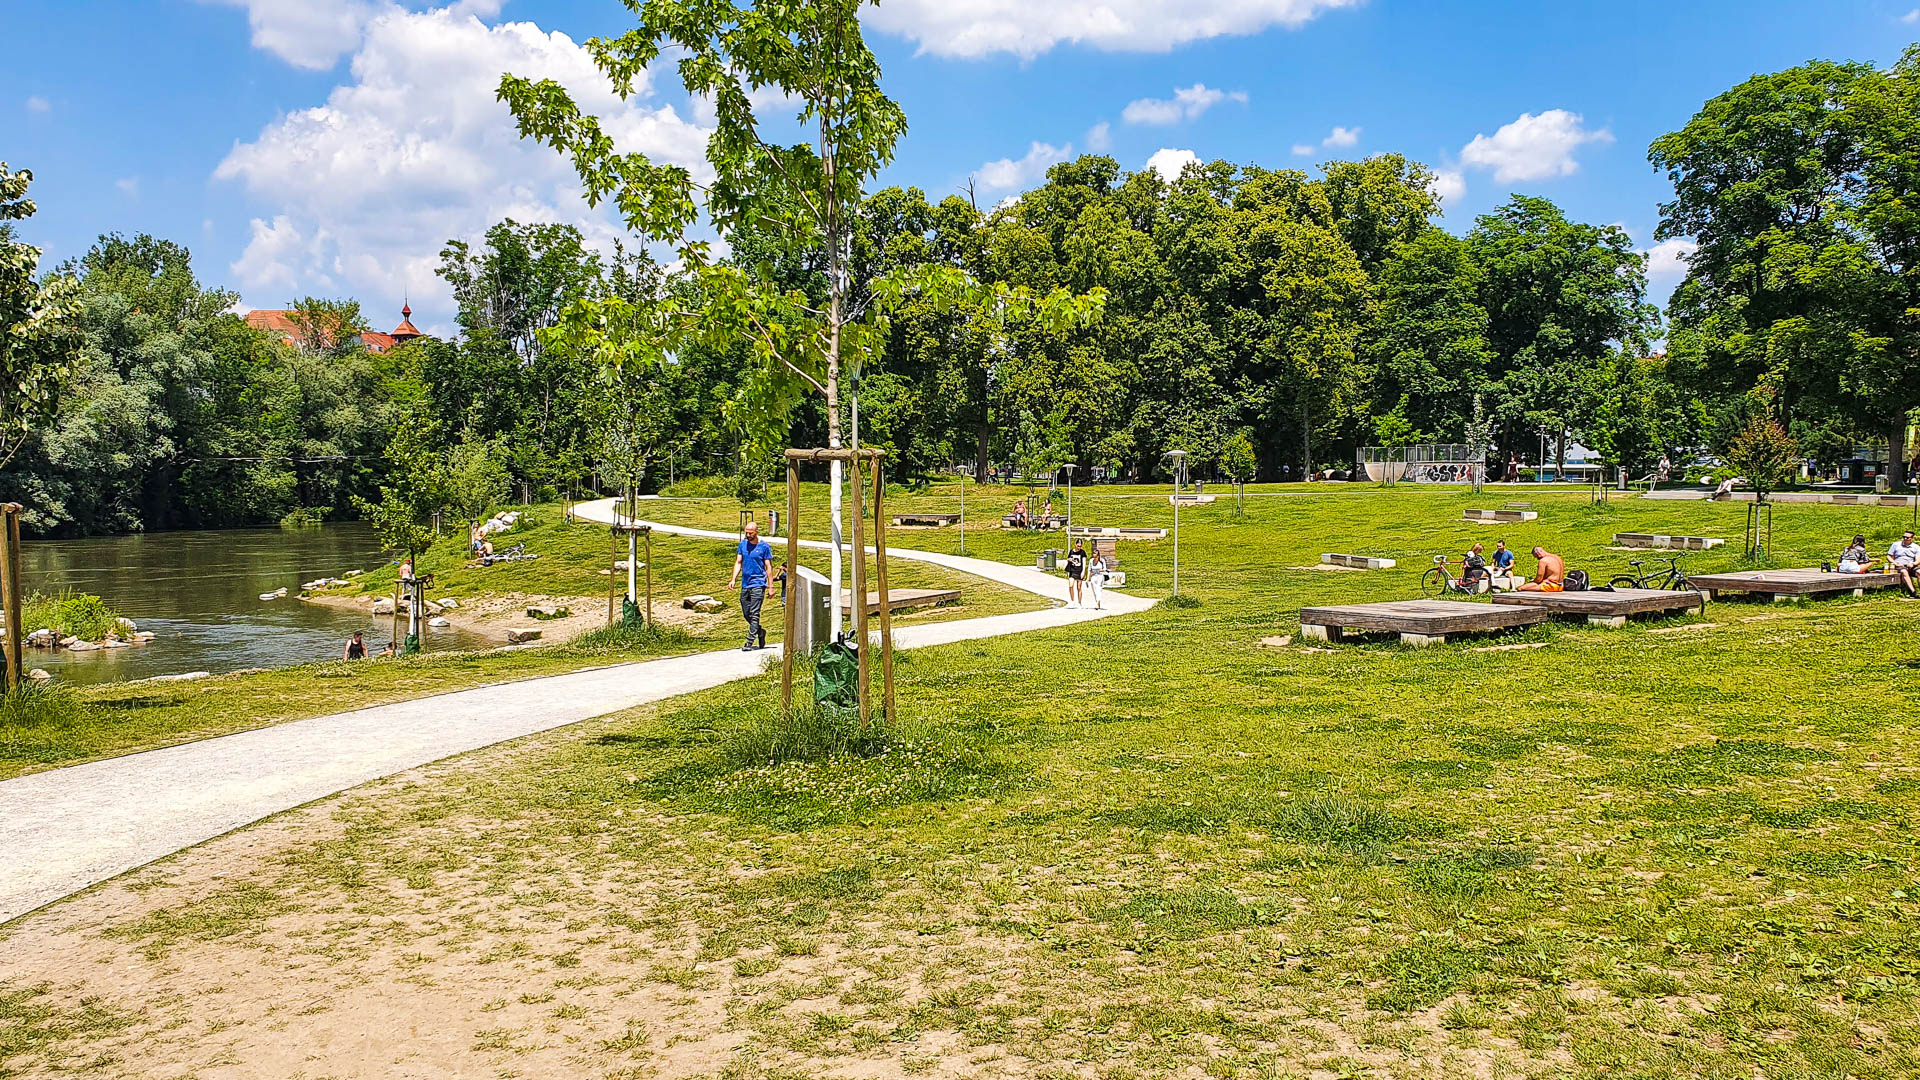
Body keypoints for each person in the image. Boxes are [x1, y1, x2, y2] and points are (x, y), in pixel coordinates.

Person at [728, 521, 773, 651]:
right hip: (745, 584)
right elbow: (738, 562)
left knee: (754, 613)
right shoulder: (742, 545)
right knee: (746, 612)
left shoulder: (764, 547)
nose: (747, 535)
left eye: (750, 533)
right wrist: (733, 579)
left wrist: (770, 587)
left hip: (758, 583)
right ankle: (760, 631)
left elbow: (768, 567)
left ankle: (750, 641)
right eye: (746, 532)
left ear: (756, 532)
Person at [1888, 530, 1920, 596]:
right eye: (1904, 537)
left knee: (1919, 572)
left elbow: (1918, 560)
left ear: (1912, 538)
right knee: (1904, 572)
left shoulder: (1916, 547)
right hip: (1899, 565)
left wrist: (1913, 564)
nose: (1905, 539)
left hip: (1911, 565)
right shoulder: (1896, 545)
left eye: (1907, 537)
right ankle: (1913, 591)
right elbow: (1889, 556)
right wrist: (1895, 563)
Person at [1064, 539, 1088, 608]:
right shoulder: (1071, 551)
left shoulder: (1082, 552)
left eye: (1080, 546)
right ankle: (1072, 601)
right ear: (1075, 544)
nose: (1079, 547)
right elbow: (1068, 558)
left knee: (1079, 587)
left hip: (1079, 571)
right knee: (1071, 585)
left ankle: (1079, 603)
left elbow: (1084, 562)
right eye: (1078, 546)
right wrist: (1069, 559)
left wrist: (1083, 571)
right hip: (1072, 570)